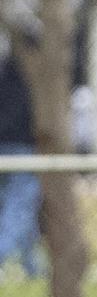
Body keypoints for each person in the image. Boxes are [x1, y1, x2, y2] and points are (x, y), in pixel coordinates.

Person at [0, 32, 43, 280]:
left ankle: (32, 267)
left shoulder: (5, 71)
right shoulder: (32, 79)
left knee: (21, 208)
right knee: (19, 209)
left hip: (6, 146)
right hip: (22, 149)